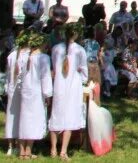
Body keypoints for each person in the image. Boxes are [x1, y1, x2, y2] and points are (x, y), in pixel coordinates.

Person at [49, 23, 87, 159]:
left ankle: (53, 149)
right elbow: (84, 71)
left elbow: (54, 65)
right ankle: (63, 151)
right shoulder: (80, 50)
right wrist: (81, 78)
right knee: (69, 115)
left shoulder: (55, 48)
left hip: (59, 84)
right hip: (73, 85)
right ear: (75, 34)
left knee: (56, 113)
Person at [18, 31, 53, 159]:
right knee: (34, 119)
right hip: (36, 92)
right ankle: (27, 150)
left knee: (24, 119)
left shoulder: (24, 56)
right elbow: (45, 77)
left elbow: (20, 75)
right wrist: (48, 94)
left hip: (25, 91)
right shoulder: (43, 58)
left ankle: (22, 150)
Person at [4, 30, 30, 157]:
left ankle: (10, 145)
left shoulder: (11, 55)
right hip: (23, 89)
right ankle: (22, 145)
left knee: (12, 117)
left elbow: (8, 74)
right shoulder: (28, 56)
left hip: (12, 88)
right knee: (22, 116)